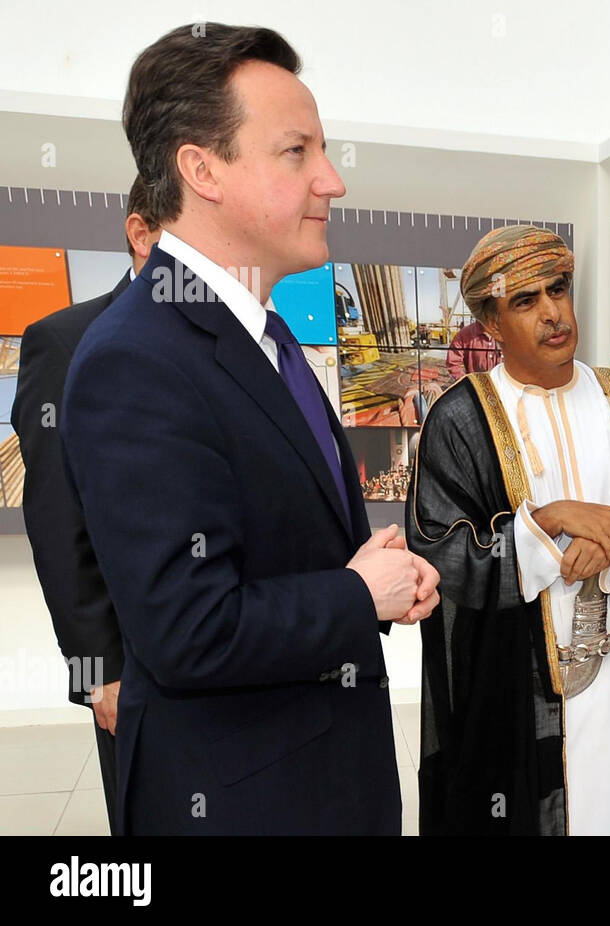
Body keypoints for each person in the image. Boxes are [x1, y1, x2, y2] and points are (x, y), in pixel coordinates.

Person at [60, 23, 438, 835]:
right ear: (202, 170)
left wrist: (369, 575)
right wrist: (356, 593)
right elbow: (189, 631)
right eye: (296, 152)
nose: (331, 181)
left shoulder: (260, 334)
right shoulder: (137, 357)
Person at [407, 224, 610, 835]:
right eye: (525, 301)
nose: (552, 313)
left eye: (559, 290)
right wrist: (543, 527)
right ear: (490, 324)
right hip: (516, 693)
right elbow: (439, 555)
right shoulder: (459, 419)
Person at [11, 176, 160, 835]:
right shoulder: (65, 341)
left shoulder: (238, 344)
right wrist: (100, 673)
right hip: (138, 666)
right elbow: (56, 518)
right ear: (141, 234)